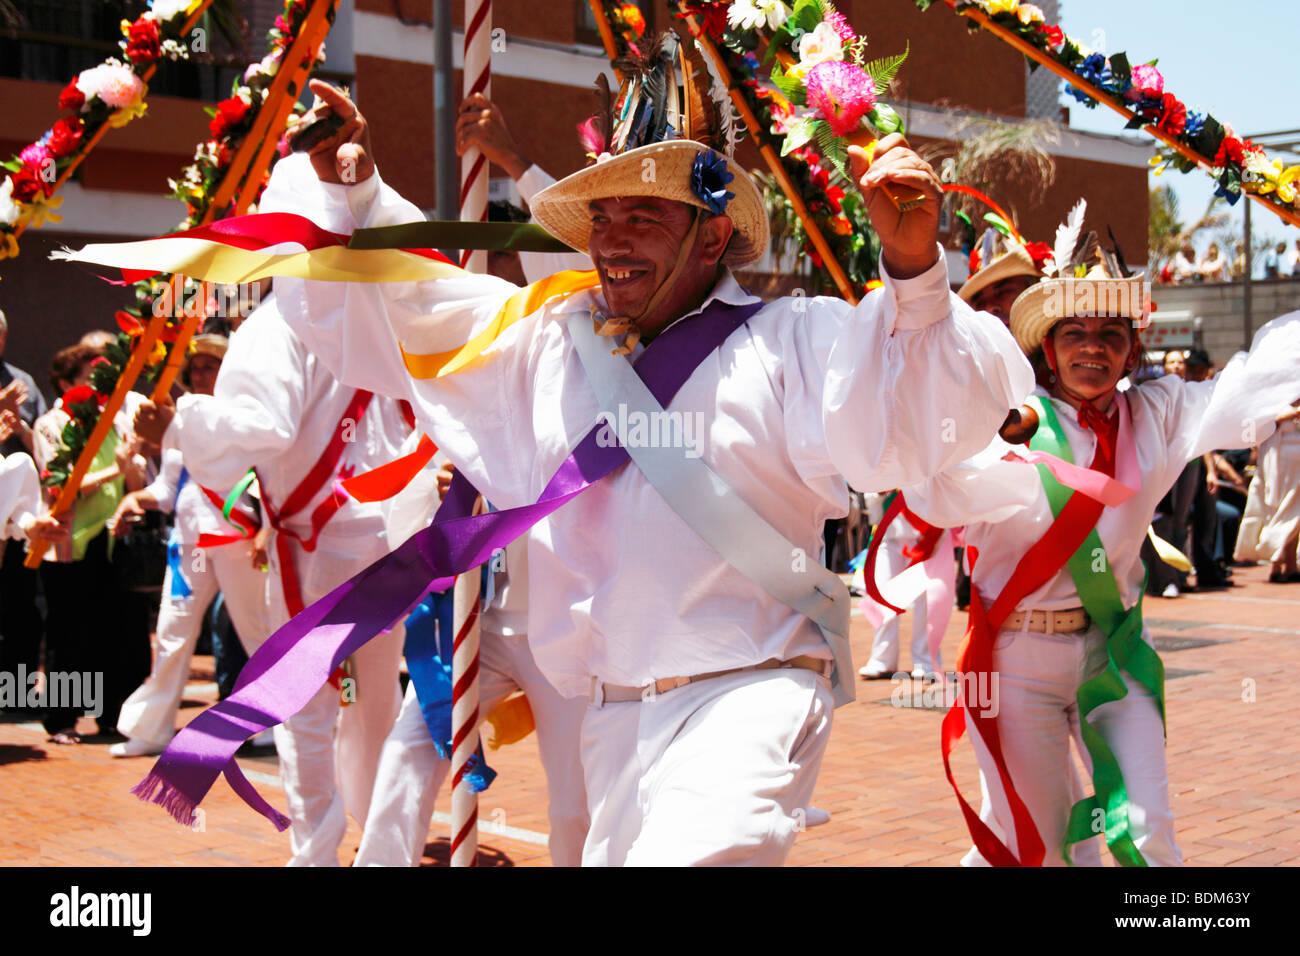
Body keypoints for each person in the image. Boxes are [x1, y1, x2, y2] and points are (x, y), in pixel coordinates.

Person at [245, 34, 1035, 865]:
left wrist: (914, 270)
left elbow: (908, 423)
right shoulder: (548, 341)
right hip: (607, 718)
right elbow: (409, 304)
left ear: (710, 235)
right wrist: (352, 193)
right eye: (603, 216)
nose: (613, 239)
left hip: (751, 689)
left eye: (645, 216)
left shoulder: (792, 341)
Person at [904, 255, 1300, 866]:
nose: (1094, 346)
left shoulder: (1159, 413)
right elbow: (937, 483)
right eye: (1075, 333)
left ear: (1132, 347)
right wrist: (986, 433)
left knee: (1147, 830)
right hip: (1013, 663)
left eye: (1111, 333)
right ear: (1048, 346)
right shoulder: (1004, 418)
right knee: (1045, 844)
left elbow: (1248, 386)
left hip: (1111, 654)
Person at [133, 293, 413, 866]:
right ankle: (382, 842)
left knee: (308, 711)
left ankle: (318, 853)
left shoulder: (280, 321)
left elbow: (263, 428)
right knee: (371, 702)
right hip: (383, 544)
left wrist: (182, 422)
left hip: (314, 556)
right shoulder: (384, 308)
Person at [355, 460, 589, 866]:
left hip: (563, 628)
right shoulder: (445, 424)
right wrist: (435, 496)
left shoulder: (566, 408)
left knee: (576, 799)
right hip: (472, 626)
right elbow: (402, 537)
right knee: (407, 750)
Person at [107, 335, 270, 757]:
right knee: (171, 632)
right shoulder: (174, 418)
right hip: (190, 547)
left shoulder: (244, 417)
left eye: (208, 366)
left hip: (238, 540)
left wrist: (267, 530)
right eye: (194, 367)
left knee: (257, 630)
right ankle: (151, 729)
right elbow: (167, 488)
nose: (199, 374)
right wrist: (134, 499)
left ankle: (275, 723)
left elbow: (270, 479)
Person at [31, 343, 152, 743]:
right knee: (69, 632)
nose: (99, 385)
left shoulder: (116, 423)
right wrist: (111, 473)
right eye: (91, 377)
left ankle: (115, 716)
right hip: (68, 545)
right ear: (68, 383)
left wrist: (131, 471)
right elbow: (58, 489)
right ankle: (63, 720)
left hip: (116, 542)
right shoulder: (50, 425)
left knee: (119, 630)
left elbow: (137, 485)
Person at [0, 308, 49, 709]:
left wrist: (19, 428)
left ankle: (15, 693)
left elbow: (41, 451)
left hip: (13, 514)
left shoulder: (24, 383)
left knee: (20, 610)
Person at [1234, 399, 1300, 581]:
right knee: (1279, 513)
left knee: (1296, 517)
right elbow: (1260, 427)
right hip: (1279, 470)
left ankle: (1291, 565)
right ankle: (1276, 564)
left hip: (1298, 470)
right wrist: (1291, 414)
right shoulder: (1276, 400)